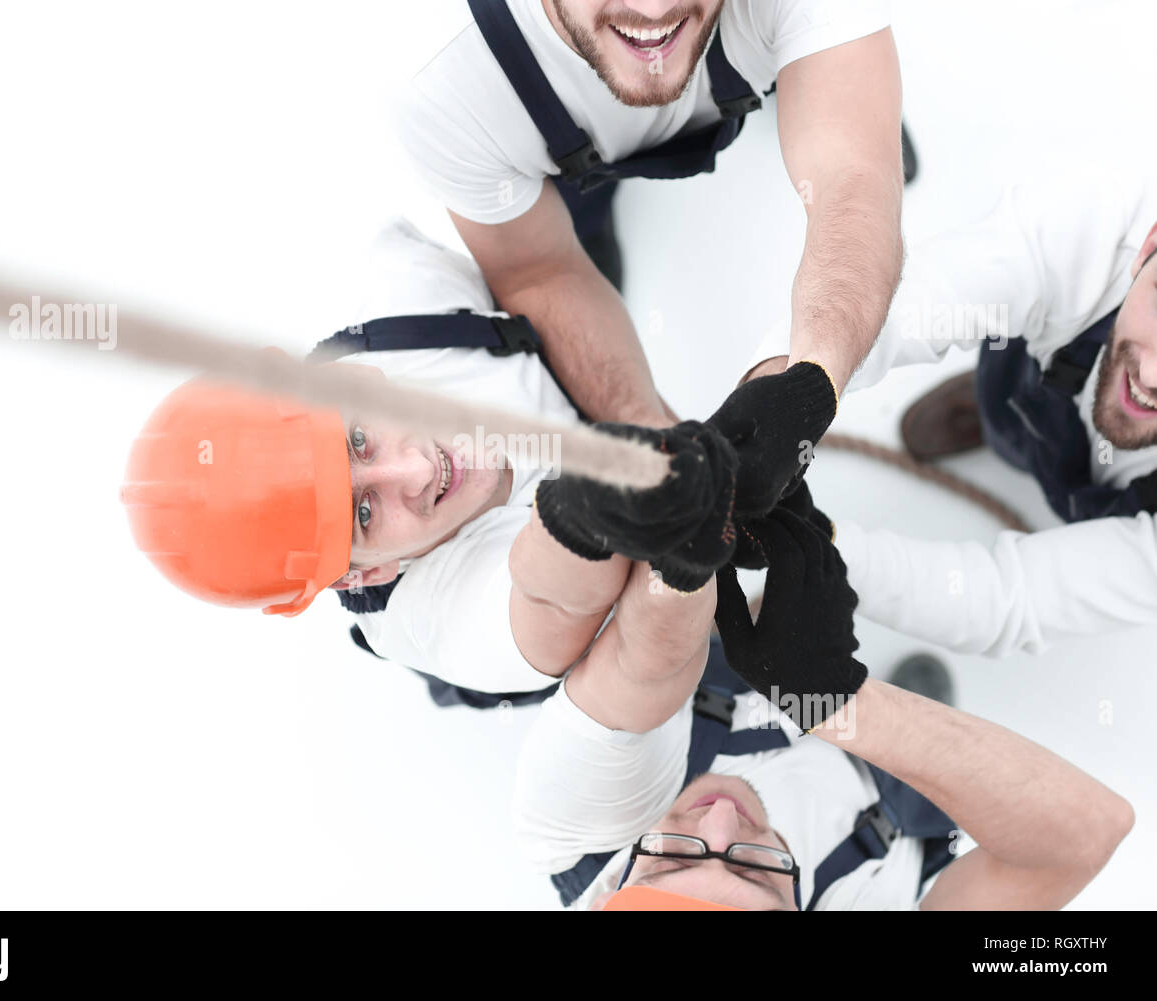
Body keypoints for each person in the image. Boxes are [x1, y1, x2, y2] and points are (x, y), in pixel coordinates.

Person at [121, 219, 735, 706]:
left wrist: (645, 417)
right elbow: (555, 604)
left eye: (359, 440)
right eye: (363, 514)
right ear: (360, 577)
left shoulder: (396, 295)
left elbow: (535, 271)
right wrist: (600, 510)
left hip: (537, 364)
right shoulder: (436, 619)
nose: (415, 471)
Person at [394, 0, 906, 515]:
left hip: (770, 33)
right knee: (564, 210)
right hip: (551, 141)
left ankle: (809, 68)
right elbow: (536, 272)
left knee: (836, 78)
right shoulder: (446, 82)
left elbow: (854, 183)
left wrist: (807, 382)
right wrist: (660, 451)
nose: (655, 10)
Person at [511, 506, 1135, 909]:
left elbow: (644, 660)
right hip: (886, 796)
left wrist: (698, 527)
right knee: (930, 771)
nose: (722, 821)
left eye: (671, 857)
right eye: (757, 873)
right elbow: (1089, 830)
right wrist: (838, 699)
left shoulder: (571, 829)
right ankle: (902, 725)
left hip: (733, 689)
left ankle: (768, 631)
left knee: (703, 651)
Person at [793, 169, 1157, 656]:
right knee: (1006, 404)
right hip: (1037, 383)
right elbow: (923, 297)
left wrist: (817, 548)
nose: (1151, 375)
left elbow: (1010, 599)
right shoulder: (1097, 223)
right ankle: (997, 416)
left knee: (1086, 525)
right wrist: (784, 391)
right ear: (1149, 247)